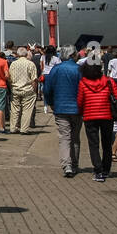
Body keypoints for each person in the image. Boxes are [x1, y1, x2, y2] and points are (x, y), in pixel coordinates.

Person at [77, 53, 117, 182]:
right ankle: (106, 169)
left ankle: (98, 170)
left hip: (90, 116)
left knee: (93, 144)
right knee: (107, 144)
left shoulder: (83, 83)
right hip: (107, 116)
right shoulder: (109, 81)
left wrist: (81, 112)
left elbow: (80, 101)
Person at [43, 45, 82, 177]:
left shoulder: (56, 69)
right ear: (73, 55)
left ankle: (67, 165)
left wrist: (50, 103)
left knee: (64, 137)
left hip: (60, 107)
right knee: (75, 137)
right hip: (77, 109)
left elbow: (47, 88)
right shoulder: (79, 69)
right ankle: (75, 164)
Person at [8, 48, 38, 134]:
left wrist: (11, 87)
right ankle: (24, 129)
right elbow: (34, 79)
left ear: (17, 54)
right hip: (27, 89)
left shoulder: (13, 64)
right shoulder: (30, 64)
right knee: (27, 110)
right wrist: (34, 90)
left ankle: (13, 128)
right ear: (26, 54)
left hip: (15, 89)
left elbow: (10, 78)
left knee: (15, 109)